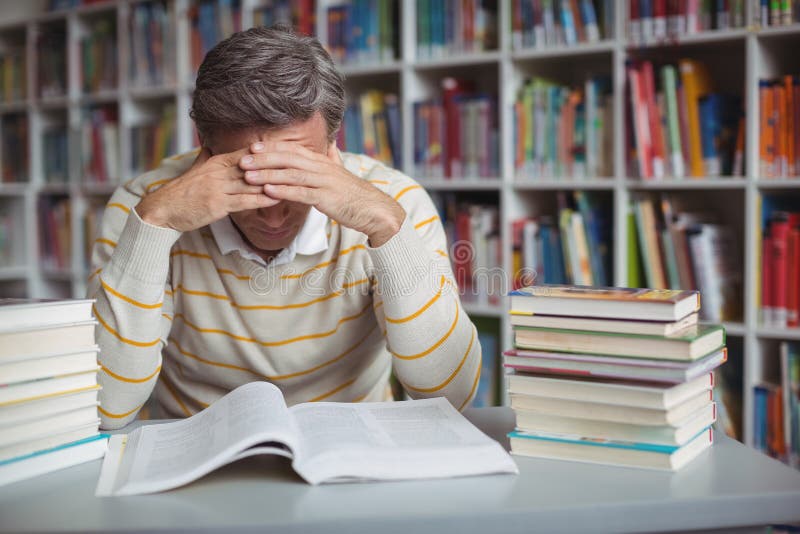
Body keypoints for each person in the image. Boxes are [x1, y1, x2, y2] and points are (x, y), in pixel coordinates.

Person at [89, 26, 481, 430]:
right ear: (205, 151)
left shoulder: (395, 203)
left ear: (332, 147)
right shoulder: (144, 208)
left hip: (352, 454)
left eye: (296, 174)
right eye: (247, 179)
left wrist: (387, 228)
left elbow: (451, 398)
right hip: (197, 459)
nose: (273, 214)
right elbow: (106, 405)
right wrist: (155, 224)